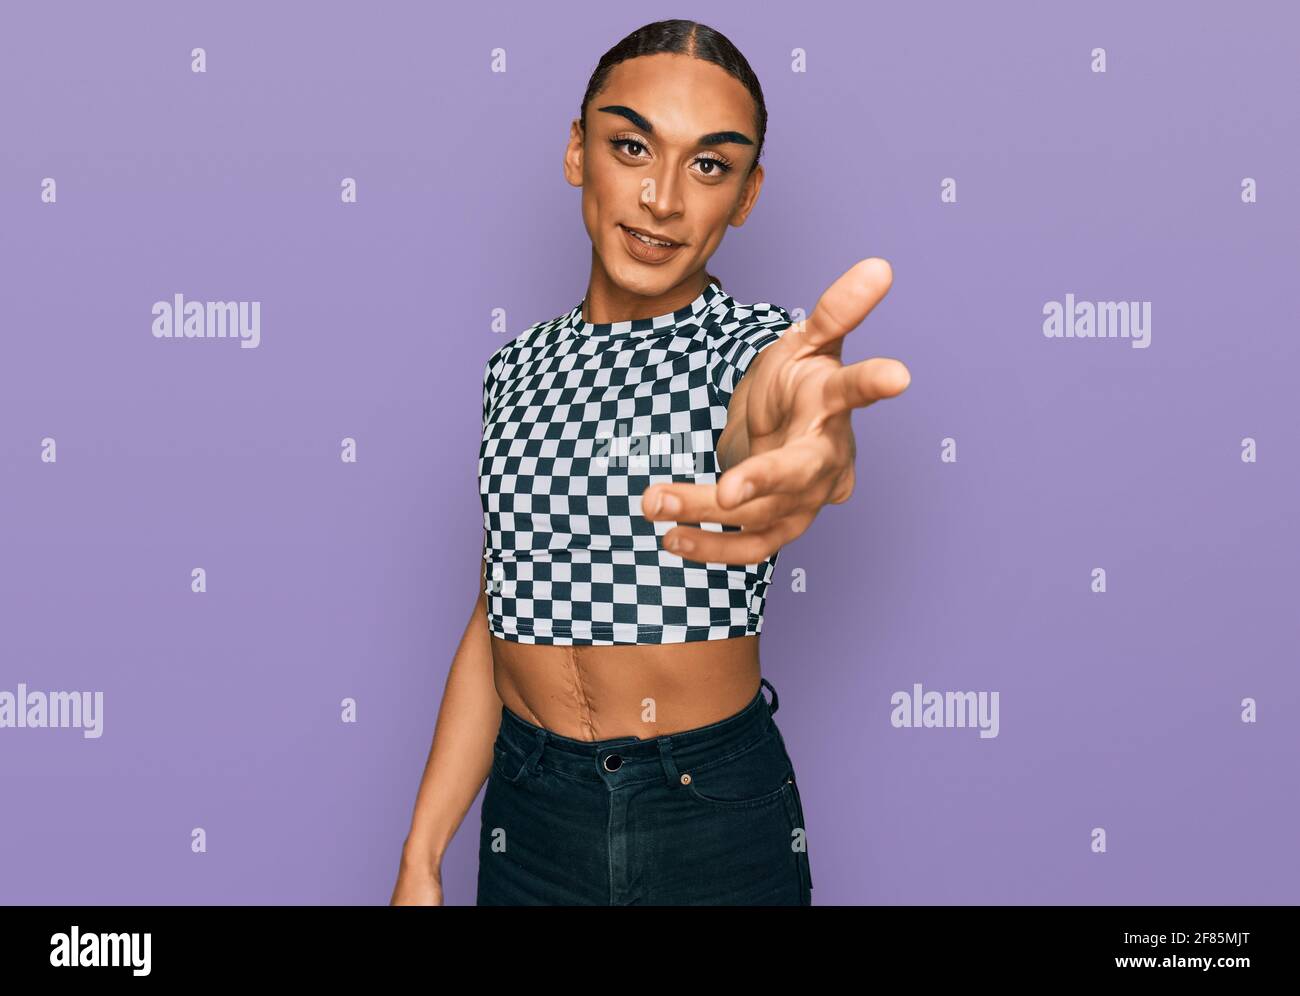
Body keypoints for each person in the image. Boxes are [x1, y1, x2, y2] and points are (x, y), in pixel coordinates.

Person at [391, 18, 909, 906]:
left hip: (706, 812)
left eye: (710, 164)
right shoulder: (512, 370)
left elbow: (780, 405)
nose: (663, 197)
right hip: (529, 813)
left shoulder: (748, 347)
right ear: (576, 152)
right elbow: (497, 614)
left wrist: (816, 430)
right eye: (632, 145)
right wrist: (422, 854)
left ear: (745, 196)